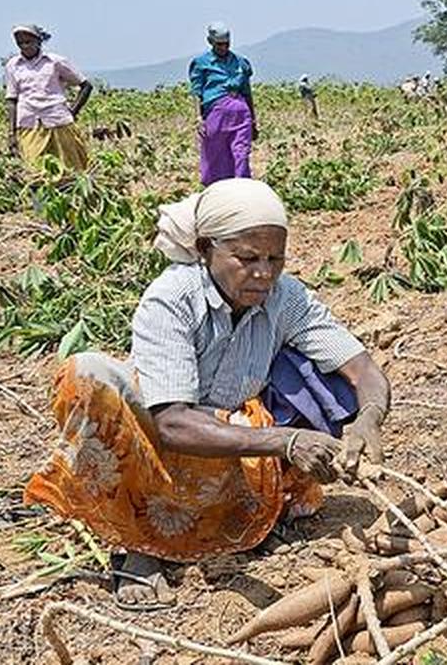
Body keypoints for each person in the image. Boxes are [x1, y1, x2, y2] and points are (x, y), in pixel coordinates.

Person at [24, 179, 392, 609]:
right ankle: (137, 544)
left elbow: (363, 369)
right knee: (85, 374)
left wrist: (368, 416)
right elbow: (173, 424)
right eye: (247, 258)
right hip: (165, 442)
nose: (264, 273)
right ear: (204, 249)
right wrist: (287, 442)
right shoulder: (171, 298)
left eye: (275, 258)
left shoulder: (286, 296)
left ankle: (250, 512)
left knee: (325, 380)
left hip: (240, 441)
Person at [3, 24, 93, 170]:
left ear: (38, 41)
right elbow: (11, 99)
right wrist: (11, 134)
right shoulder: (13, 66)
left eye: (28, 42)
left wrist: (73, 112)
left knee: (71, 168)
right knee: (34, 171)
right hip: (29, 124)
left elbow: (86, 86)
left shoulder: (55, 62)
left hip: (58, 121)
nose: (24, 46)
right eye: (20, 43)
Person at [189, 22, 257, 186]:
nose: (223, 47)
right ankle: (217, 189)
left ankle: (241, 188)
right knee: (214, 153)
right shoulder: (201, 63)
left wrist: (254, 120)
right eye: (219, 44)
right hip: (216, 112)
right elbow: (197, 92)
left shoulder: (240, 62)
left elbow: (247, 92)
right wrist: (198, 117)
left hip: (241, 113)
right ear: (210, 41)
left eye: (226, 44)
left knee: (241, 152)